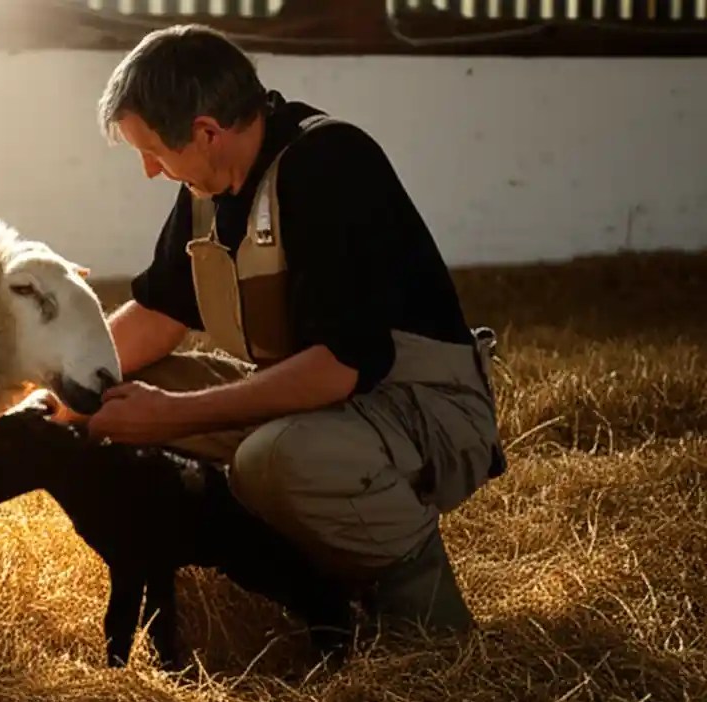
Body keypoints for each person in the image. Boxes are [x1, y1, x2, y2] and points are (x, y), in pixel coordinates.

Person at [45, 24, 507, 648]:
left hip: (424, 408)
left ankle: (422, 613)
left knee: (274, 460)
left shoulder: (329, 164)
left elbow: (341, 367)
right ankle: (293, 562)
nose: (151, 170)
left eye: (152, 151)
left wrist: (173, 417)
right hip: (328, 405)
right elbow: (157, 315)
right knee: (122, 386)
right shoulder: (208, 186)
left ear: (206, 131)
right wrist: (62, 389)